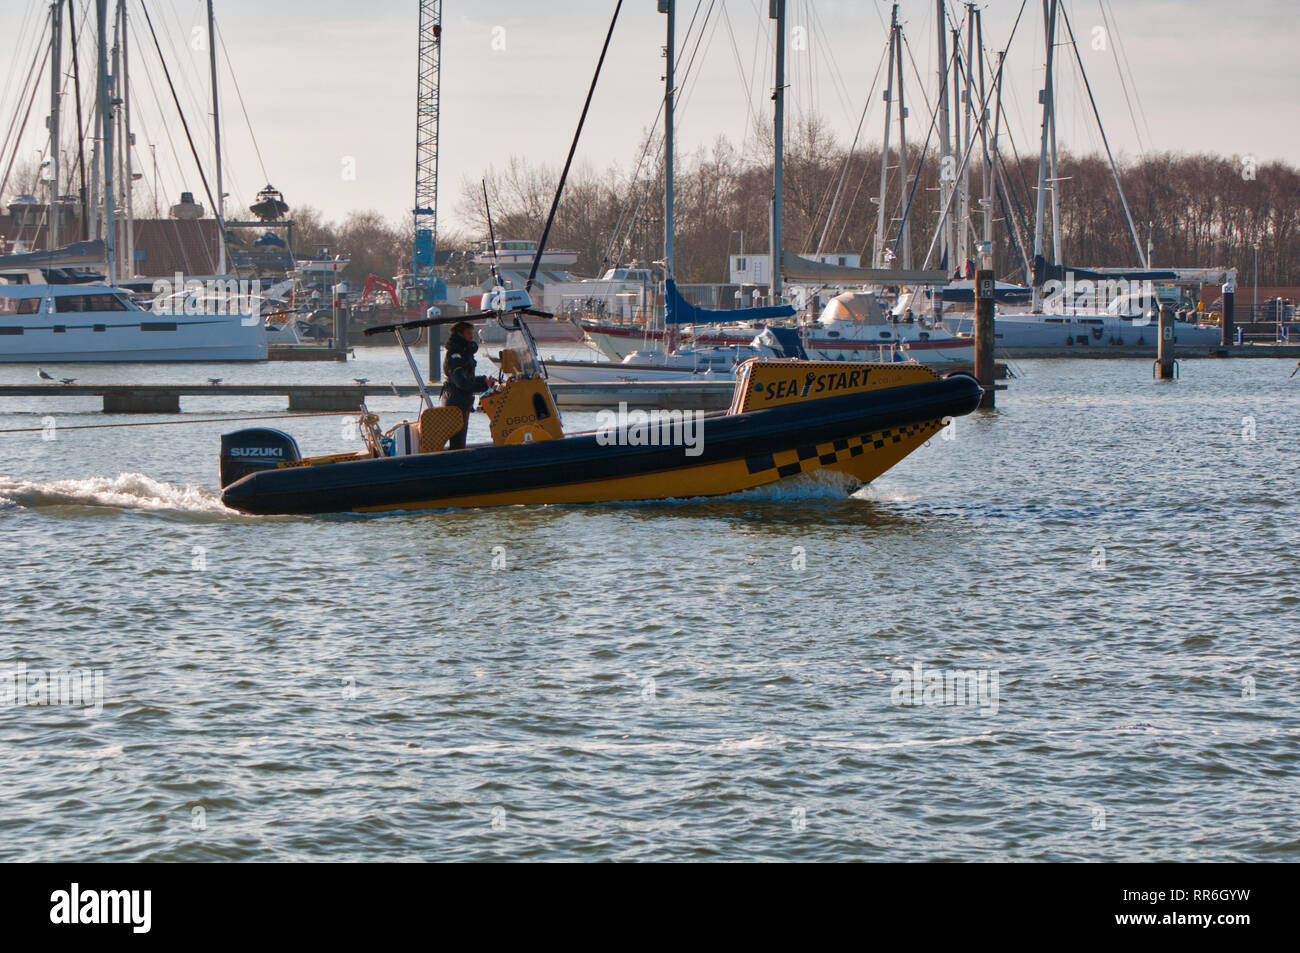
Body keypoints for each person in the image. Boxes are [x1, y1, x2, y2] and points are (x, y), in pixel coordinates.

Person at [441, 321, 497, 450]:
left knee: (460, 441)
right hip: (455, 403)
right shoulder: (455, 356)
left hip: (463, 402)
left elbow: (467, 378)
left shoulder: (464, 353)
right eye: (468, 333)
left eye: (472, 333)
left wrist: (483, 380)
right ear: (460, 334)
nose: (471, 337)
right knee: (457, 442)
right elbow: (461, 382)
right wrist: (484, 387)